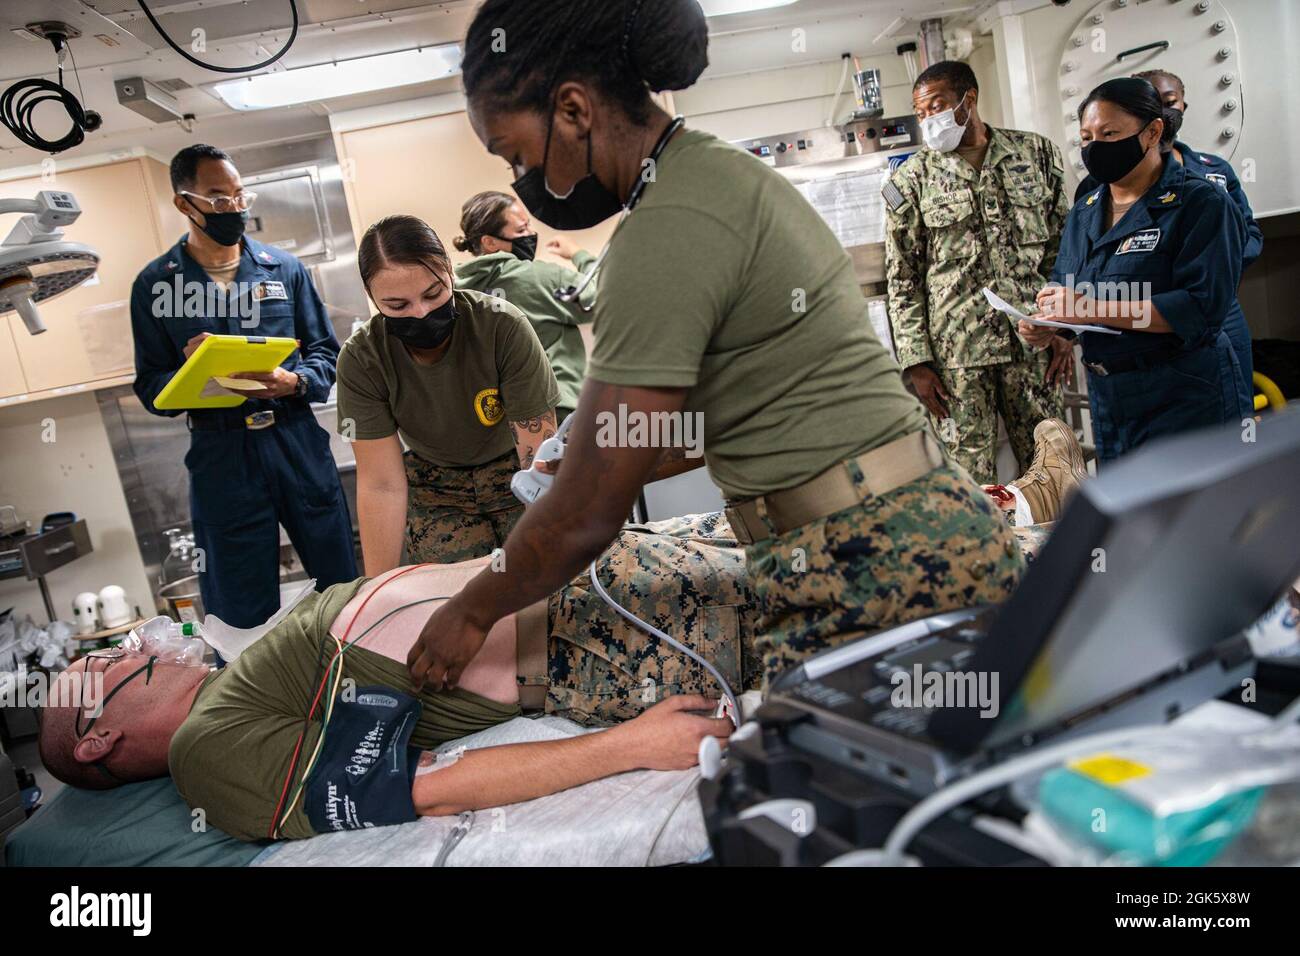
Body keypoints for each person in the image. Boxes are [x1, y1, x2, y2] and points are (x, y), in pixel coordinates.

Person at [404, 0, 1025, 693]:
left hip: (876, 560)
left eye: (519, 156)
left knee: (863, 788)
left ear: (574, 110)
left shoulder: (666, 230)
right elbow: (742, 406)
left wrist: (472, 608)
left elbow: (587, 512)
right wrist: (602, 454)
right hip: (891, 536)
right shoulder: (712, 177)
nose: (527, 183)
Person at [37, 513, 761, 841]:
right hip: (596, 634)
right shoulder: (205, 754)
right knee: (850, 586)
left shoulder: (239, 683)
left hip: (595, 566)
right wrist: (631, 748)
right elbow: (427, 785)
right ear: (99, 737)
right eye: (104, 662)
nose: (132, 646)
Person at [130, 144, 357, 633]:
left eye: (238, 195)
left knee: (340, 588)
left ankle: (357, 689)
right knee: (236, 608)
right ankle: (253, 706)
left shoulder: (284, 269)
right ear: (184, 204)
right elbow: (150, 385)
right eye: (217, 198)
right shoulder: (155, 285)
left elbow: (325, 352)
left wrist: (293, 380)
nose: (233, 208)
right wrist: (192, 371)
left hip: (294, 437)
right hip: (221, 450)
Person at [1019, 78, 1244, 462]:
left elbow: (1199, 310)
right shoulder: (1086, 209)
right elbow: (1068, 283)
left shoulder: (1199, 203)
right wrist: (1049, 323)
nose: (1095, 147)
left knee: (1197, 518)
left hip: (1183, 394)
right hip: (1113, 399)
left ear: (1152, 131)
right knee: (1132, 520)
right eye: (1087, 137)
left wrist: (1088, 309)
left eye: (1109, 134)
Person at [335, 215, 562, 574]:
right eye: (398, 306)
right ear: (372, 297)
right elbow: (381, 485)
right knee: (456, 599)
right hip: (437, 488)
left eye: (433, 293)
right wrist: (377, 589)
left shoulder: (501, 326)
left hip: (515, 471)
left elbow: (537, 462)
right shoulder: (362, 359)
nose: (421, 313)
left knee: (544, 582)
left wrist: (555, 554)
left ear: (449, 272)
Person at [885, 60, 1073, 485]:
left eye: (937, 106)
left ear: (969, 100)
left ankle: (1063, 552)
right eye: (920, 113)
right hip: (957, 360)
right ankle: (985, 552)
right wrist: (917, 362)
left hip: (1033, 346)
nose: (929, 120)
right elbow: (903, 277)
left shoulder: (1036, 153)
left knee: (1053, 469)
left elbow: (1065, 248)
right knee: (968, 481)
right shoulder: (913, 178)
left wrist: (1063, 328)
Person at [1073, 68, 1261, 417]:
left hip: (1215, 305)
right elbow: (1081, 265)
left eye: (1169, 102)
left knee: (1231, 407)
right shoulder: (1093, 192)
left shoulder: (1209, 175)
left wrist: (1215, 261)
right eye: (1086, 136)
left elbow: (1247, 236)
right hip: (1126, 327)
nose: (1163, 109)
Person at [453, 191, 599, 421]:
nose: (531, 234)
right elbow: (609, 297)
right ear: (489, 242)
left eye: (528, 226)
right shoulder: (539, 278)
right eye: (521, 231)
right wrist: (578, 254)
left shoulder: (458, 292)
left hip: (501, 422)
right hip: (559, 412)